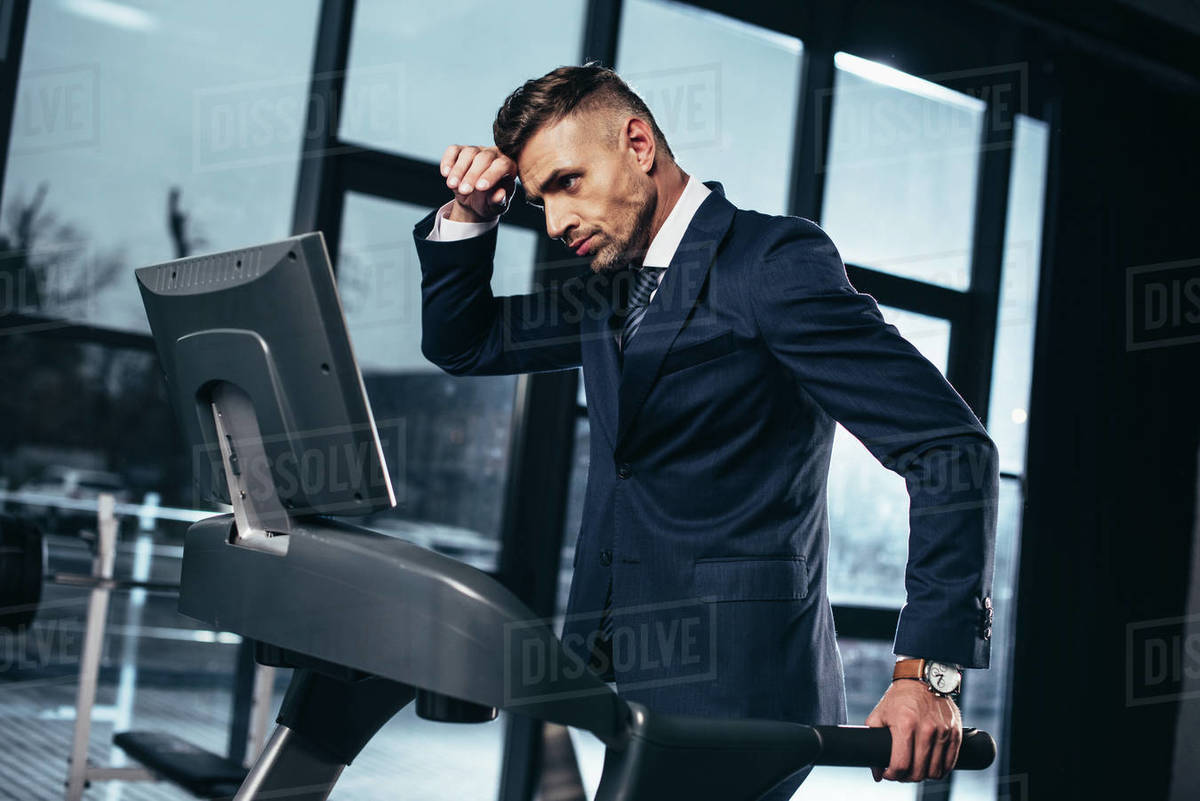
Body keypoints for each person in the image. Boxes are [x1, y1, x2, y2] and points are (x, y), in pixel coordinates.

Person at [413, 63, 998, 798]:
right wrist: (471, 216)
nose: (556, 221)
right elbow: (466, 343)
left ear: (637, 142)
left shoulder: (771, 264)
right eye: (538, 201)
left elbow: (950, 448)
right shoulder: (607, 292)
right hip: (634, 682)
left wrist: (927, 672)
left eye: (566, 182)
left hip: (742, 688)